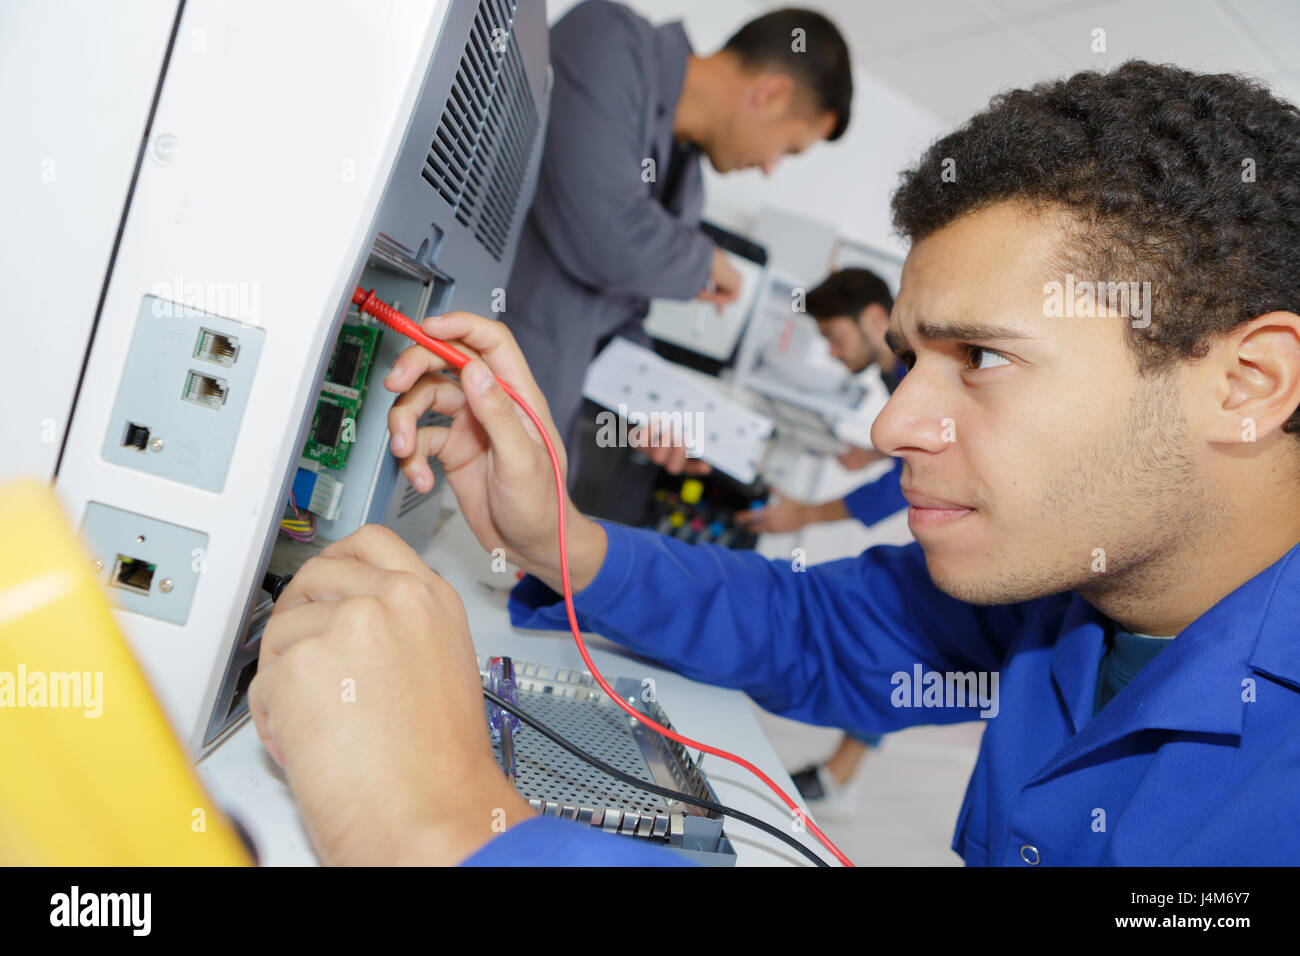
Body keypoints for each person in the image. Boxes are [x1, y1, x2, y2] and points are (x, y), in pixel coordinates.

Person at [253, 61, 1300, 865]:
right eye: (908, 358)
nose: (893, 427)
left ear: (1248, 383)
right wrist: (558, 540)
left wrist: (438, 824)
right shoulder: (1078, 586)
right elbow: (822, 626)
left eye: (980, 357)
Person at [485, 2, 853, 490]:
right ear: (771, 95)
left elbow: (615, 319)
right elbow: (604, 234)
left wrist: (649, 412)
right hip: (462, 387)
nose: (769, 168)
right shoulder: (610, 42)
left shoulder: (687, 188)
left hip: (528, 454)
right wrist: (703, 258)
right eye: (787, 149)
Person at [738, 268, 908, 535]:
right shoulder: (893, 373)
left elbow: (918, 479)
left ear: (875, 318)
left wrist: (806, 514)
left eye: (834, 336)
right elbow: (934, 444)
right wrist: (875, 454)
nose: (832, 352)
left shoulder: (918, 370)